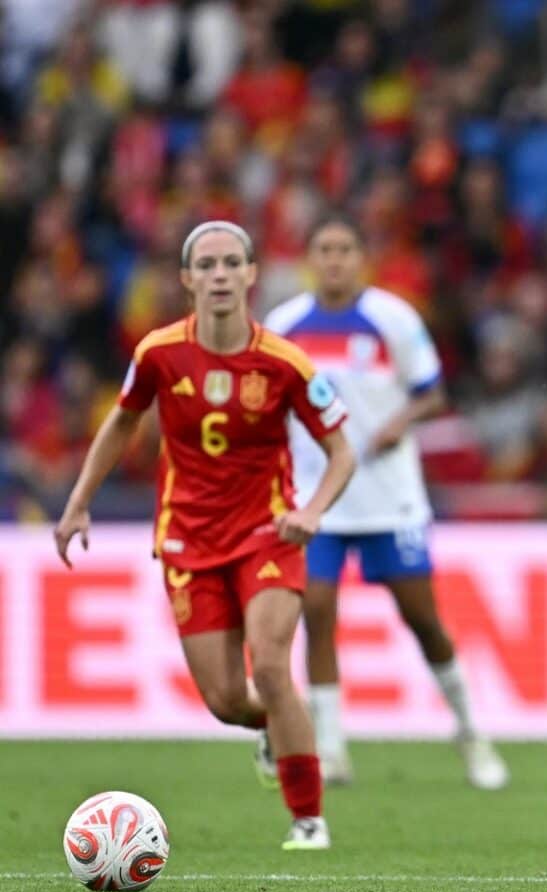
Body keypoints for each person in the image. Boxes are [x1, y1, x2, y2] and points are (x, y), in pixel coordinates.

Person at [54, 221, 356, 851]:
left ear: (251, 275)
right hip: (188, 540)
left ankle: (308, 818)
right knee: (225, 701)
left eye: (232, 263)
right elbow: (122, 422)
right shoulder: (159, 354)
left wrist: (312, 512)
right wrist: (79, 502)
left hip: (268, 532)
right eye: (208, 265)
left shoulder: (285, 362)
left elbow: (341, 453)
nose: (220, 275)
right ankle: (278, 728)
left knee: (270, 665)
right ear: (188, 280)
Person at [266, 213, 508, 790]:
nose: (334, 260)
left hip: (388, 496)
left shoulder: (392, 318)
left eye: (344, 249)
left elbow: (432, 394)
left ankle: (470, 730)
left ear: (361, 257)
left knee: (422, 619)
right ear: (310, 257)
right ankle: (331, 748)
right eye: (324, 249)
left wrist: (401, 420)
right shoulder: (284, 326)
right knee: (317, 612)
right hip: (319, 500)